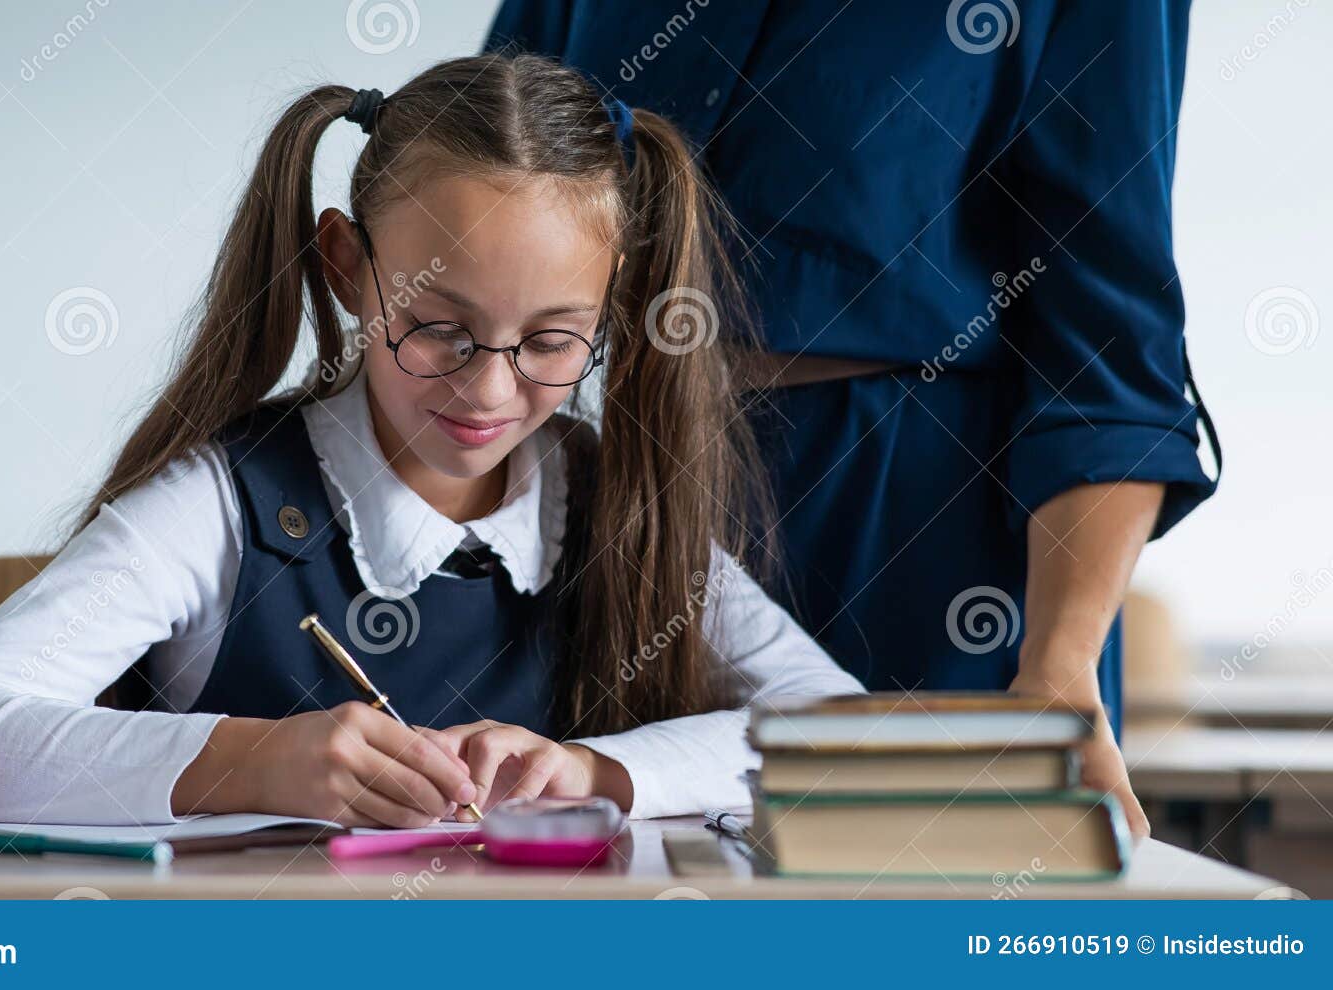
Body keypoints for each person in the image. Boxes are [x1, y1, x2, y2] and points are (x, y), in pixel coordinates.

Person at [0, 52, 864, 828]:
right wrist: (252, 761)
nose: (489, 389)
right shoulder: (223, 504)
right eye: (440, 329)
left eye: (550, 341)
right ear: (346, 266)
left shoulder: (608, 497)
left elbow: (845, 733)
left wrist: (598, 772)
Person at [487, 0, 1220, 838]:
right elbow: (487, 176)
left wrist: (1057, 670)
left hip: (935, 542)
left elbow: (1109, 351)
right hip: (643, 500)